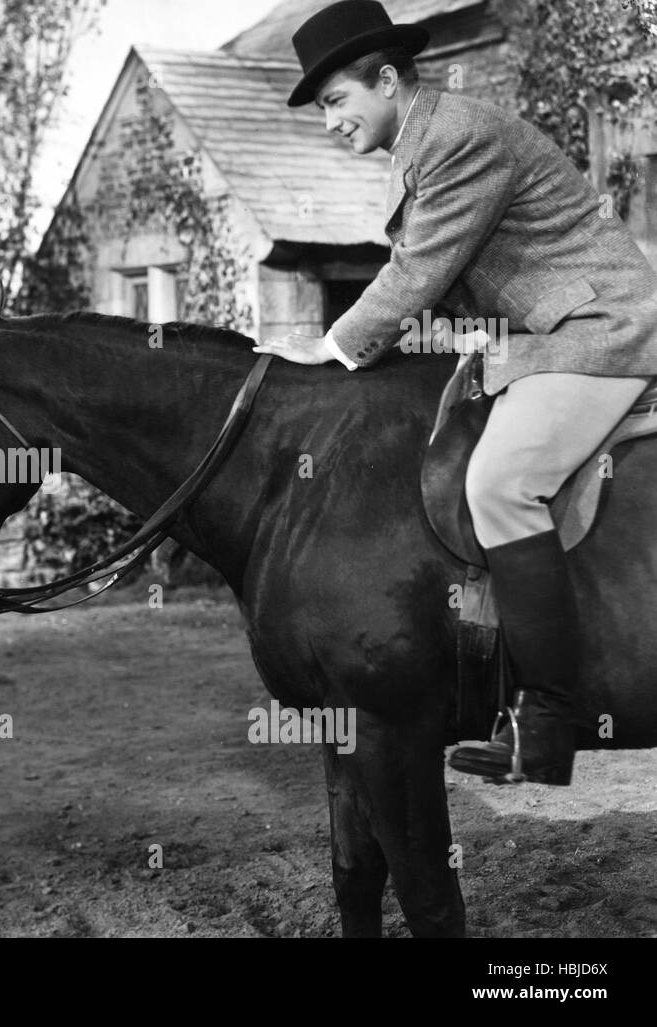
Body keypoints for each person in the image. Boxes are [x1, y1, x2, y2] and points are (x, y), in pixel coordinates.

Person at [255, 0, 657, 785]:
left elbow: (415, 276)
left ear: (385, 79)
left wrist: (327, 347)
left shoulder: (456, 138)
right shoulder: (418, 149)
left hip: (598, 330)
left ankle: (548, 719)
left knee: (501, 482)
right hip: (535, 339)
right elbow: (435, 294)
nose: (330, 122)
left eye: (336, 100)